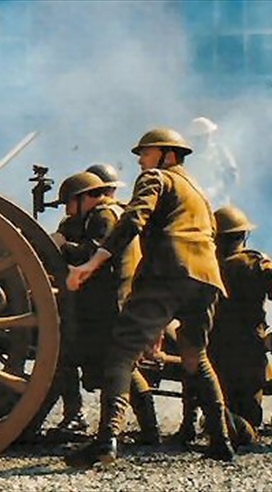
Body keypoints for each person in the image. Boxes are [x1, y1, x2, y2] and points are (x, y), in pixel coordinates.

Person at [65, 128, 234, 468]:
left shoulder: (155, 178)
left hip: (170, 272)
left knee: (120, 353)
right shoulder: (198, 190)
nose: (140, 160)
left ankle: (106, 443)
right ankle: (221, 440)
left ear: (166, 154)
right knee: (194, 355)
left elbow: (134, 219)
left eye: (145, 152)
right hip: (207, 279)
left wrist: (93, 261)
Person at [53, 171, 159, 445]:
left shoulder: (104, 216)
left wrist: (61, 248)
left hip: (109, 305)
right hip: (108, 303)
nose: (67, 209)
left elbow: (92, 254)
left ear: (83, 197)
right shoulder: (105, 214)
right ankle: (147, 430)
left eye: (69, 202)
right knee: (115, 364)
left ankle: (131, 432)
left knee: (118, 365)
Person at [209, 205, 272, 432]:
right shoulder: (254, 264)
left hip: (215, 351)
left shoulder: (207, 267)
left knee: (220, 398)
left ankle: (220, 422)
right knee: (249, 415)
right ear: (243, 235)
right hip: (250, 353)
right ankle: (240, 430)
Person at [188, 116, 239, 205]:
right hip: (196, 202)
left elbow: (232, 175)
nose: (206, 138)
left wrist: (218, 189)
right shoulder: (188, 155)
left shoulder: (220, 151)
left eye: (207, 135)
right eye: (198, 138)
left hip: (219, 202)